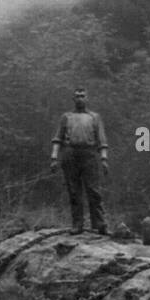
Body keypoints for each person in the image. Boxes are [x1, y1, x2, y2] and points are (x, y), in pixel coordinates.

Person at [49, 87, 109, 234]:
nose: (80, 98)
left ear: (87, 98)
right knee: (74, 191)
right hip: (70, 153)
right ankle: (77, 224)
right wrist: (54, 158)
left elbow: (101, 139)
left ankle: (100, 224)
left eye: (83, 96)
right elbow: (58, 139)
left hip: (89, 154)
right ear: (73, 99)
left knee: (94, 190)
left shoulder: (94, 117)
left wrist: (104, 159)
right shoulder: (67, 117)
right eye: (77, 96)